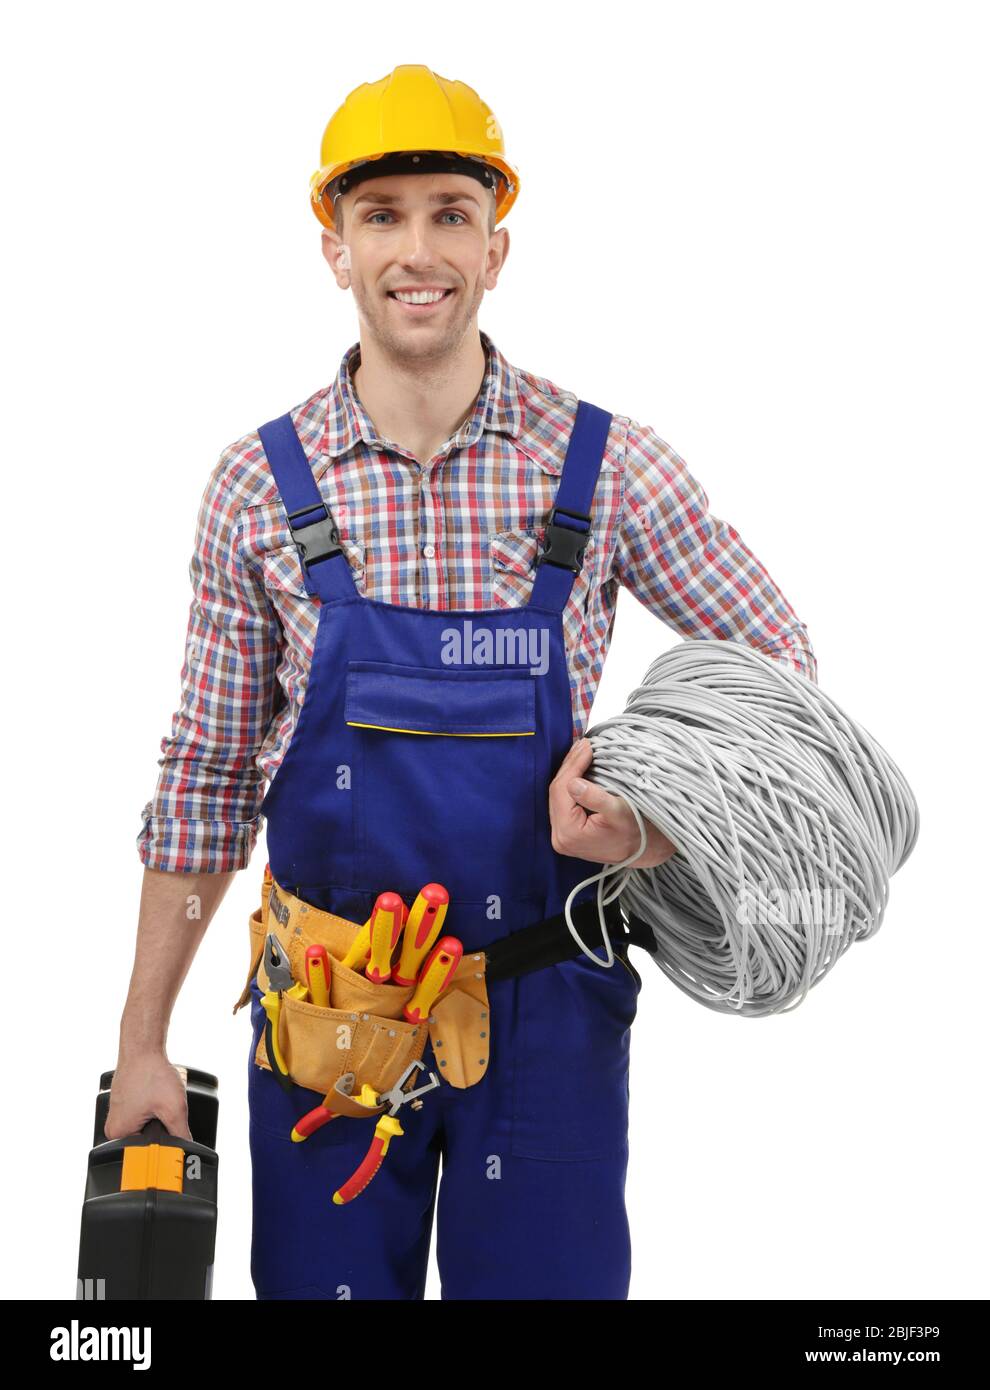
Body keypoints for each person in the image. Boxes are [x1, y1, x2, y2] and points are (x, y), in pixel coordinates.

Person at [108, 64, 817, 1300]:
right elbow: (208, 783)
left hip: (546, 1002)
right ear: (333, 246)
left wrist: (651, 814)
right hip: (330, 1017)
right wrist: (141, 1043)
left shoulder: (605, 467)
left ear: (499, 244)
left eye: (450, 210)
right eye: (381, 214)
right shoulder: (258, 488)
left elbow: (781, 676)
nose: (417, 248)